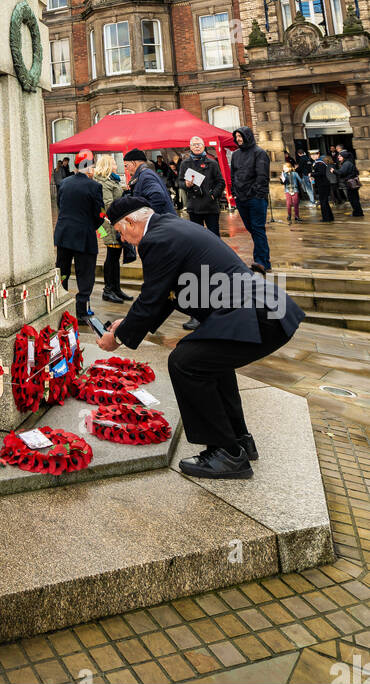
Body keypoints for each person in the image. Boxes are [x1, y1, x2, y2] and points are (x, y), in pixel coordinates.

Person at [97, 195, 305, 480]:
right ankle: (237, 440)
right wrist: (128, 324)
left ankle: (226, 453)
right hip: (262, 310)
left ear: (131, 222)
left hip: (253, 314)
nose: (124, 240)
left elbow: (152, 296)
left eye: (121, 233)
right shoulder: (169, 226)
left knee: (185, 362)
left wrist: (118, 337)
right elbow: (169, 294)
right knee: (207, 362)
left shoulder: (155, 239)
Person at [53, 149, 104, 320]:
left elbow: (61, 206)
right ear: (89, 168)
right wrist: (92, 226)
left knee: (63, 272)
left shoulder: (65, 183)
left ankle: (61, 304)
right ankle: (81, 311)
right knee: (85, 275)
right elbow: (100, 214)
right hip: (84, 237)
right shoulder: (95, 186)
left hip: (64, 235)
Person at [230, 127, 271, 274]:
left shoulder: (259, 153)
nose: (239, 139)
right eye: (237, 137)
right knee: (251, 229)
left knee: (257, 228)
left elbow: (262, 176)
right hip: (241, 198)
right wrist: (235, 193)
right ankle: (261, 258)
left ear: (247, 136)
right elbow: (233, 175)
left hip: (255, 198)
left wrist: (256, 193)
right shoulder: (235, 155)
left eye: (241, 136)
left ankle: (262, 262)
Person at [93, 154, 131, 305]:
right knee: (112, 256)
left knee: (115, 257)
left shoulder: (112, 179)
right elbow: (108, 204)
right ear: (108, 165)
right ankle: (108, 290)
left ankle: (116, 288)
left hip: (115, 222)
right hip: (108, 225)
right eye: (114, 162)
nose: (117, 164)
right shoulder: (102, 182)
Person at [178, 137, 226, 239]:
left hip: (210, 206)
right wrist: (186, 185)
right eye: (194, 144)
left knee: (214, 237)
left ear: (204, 146)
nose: (196, 146)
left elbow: (221, 182)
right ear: (190, 147)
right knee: (198, 238)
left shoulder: (212, 163)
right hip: (194, 207)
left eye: (199, 144)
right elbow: (180, 182)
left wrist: (213, 195)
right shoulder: (185, 164)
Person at [122, 149, 177, 217]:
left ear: (133, 163)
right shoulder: (145, 174)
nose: (126, 169)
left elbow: (158, 199)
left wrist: (144, 217)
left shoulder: (146, 176)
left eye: (126, 165)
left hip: (161, 222)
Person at [336, 148, 364, 218]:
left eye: (340, 156)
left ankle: (357, 213)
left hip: (351, 184)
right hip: (352, 183)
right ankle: (358, 212)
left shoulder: (347, 163)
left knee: (353, 199)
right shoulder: (348, 162)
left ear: (344, 157)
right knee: (354, 199)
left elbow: (341, 172)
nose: (338, 157)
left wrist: (333, 171)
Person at [311, 151, 335, 222]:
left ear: (318, 154)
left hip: (323, 184)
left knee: (323, 201)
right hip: (321, 184)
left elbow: (321, 173)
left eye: (314, 154)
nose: (312, 156)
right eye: (311, 155)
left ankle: (326, 218)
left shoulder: (320, 163)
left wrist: (312, 174)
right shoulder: (317, 163)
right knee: (324, 201)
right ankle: (329, 217)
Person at [281, 159, 302, 224]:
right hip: (287, 190)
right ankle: (289, 215)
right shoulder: (284, 174)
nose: (284, 169)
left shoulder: (295, 173)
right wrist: (282, 179)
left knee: (296, 203)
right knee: (288, 204)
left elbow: (300, 181)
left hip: (295, 190)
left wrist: (301, 187)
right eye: (283, 168)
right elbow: (283, 183)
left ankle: (297, 216)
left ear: (289, 168)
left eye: (285, 167)